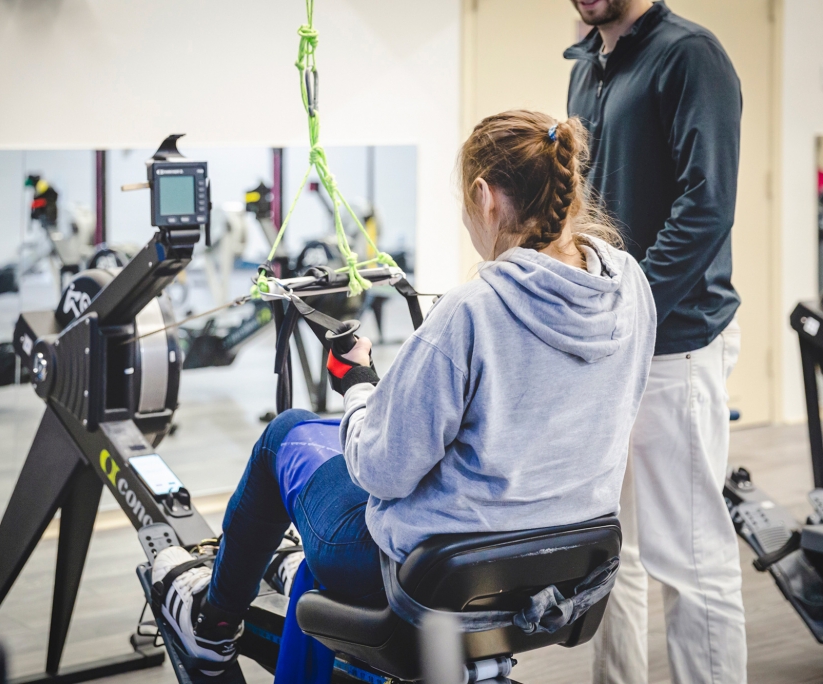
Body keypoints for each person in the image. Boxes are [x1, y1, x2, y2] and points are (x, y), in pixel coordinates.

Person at [152, 110, 656, 675]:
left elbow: (380, 471)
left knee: (286, 435)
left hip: (432, 575)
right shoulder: (630, 285)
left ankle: (211, 627)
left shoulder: (473, 310)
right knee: (323, 454)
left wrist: (359, 386)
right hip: (562, 572)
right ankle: (295, 577)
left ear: (485, 196)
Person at [564, 1, 745, 683]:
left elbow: (705, 205)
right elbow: (583, 203)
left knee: (691, 559)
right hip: (610, 342)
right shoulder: (587, 67)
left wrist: (633, 304)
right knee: (610, 551)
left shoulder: (689, 56)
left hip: (677, 343)